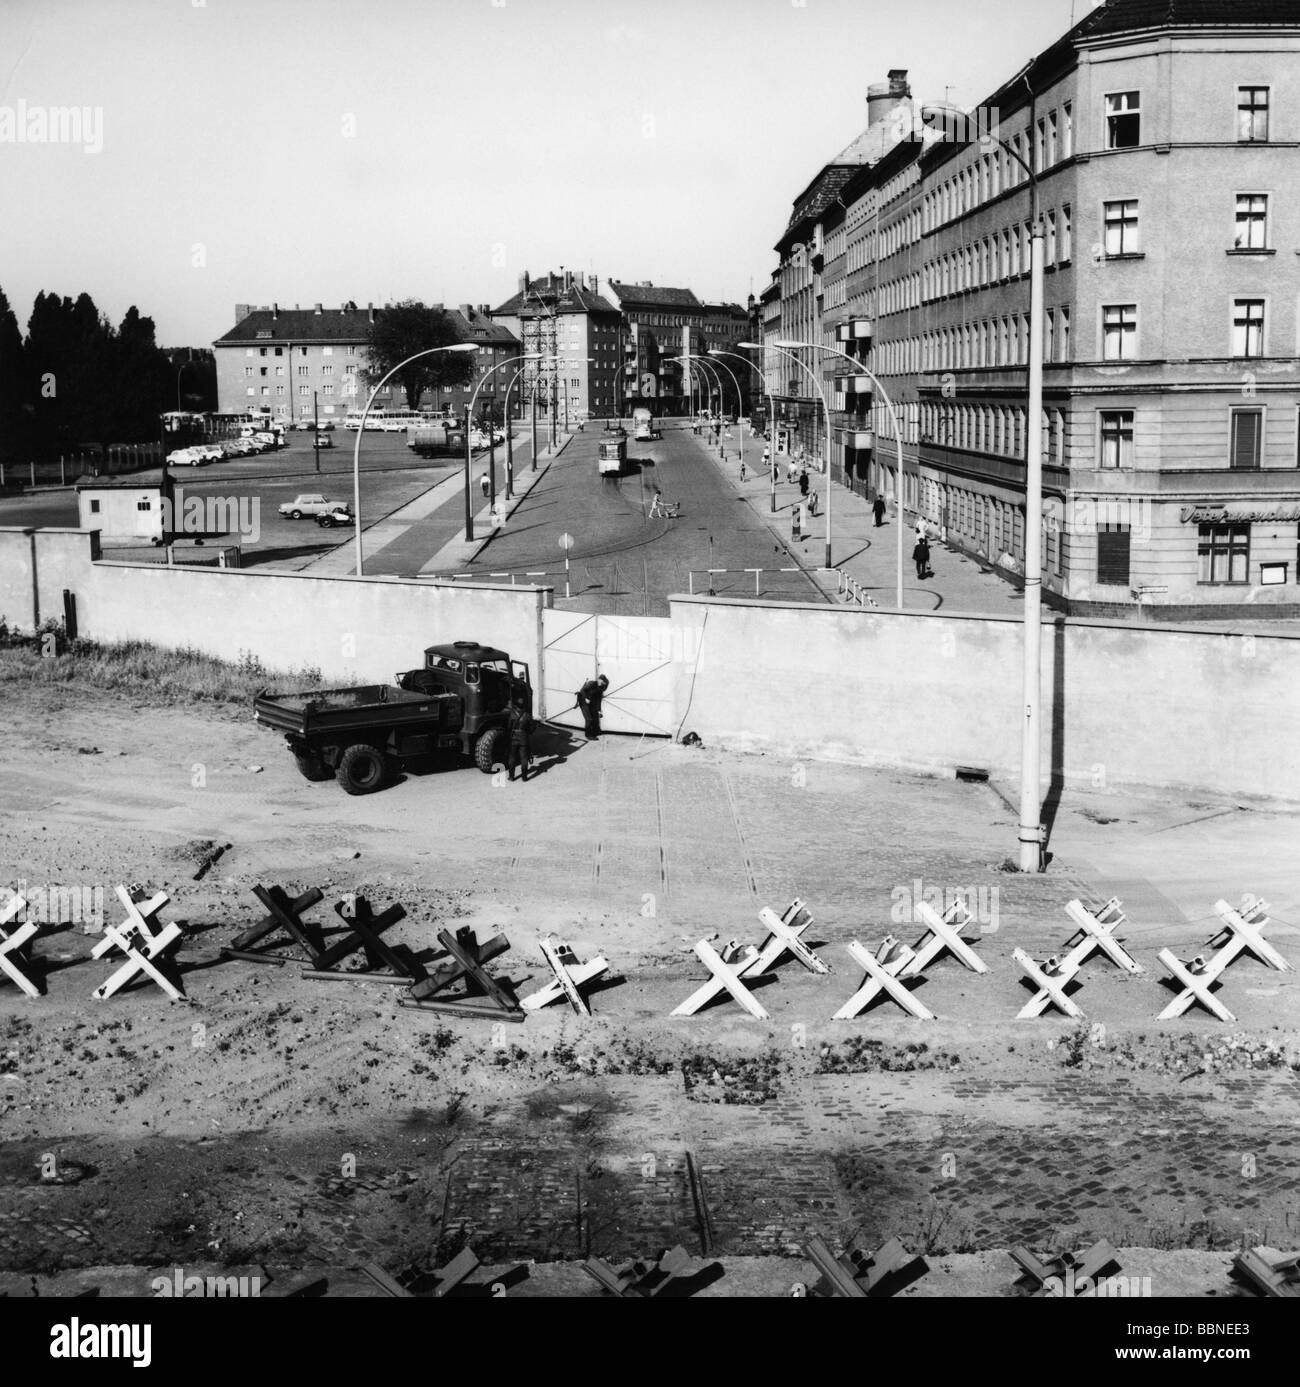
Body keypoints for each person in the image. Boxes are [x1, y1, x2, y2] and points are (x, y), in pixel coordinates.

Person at [506, 695, 535, 782]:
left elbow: (509, 727)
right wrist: (527, 733)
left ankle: (511, 777)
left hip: (514, 737)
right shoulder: (527, 715)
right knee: (524, 758)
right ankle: (524, 777)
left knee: (512, 757)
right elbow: (532, 728)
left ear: (516, 705)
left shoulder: (512, 714)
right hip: (524, 738)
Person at [576, 673, 609, 740]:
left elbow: (598, 701)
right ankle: (588, 735)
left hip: (590, 702)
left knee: (595, 716)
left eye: (603, 683)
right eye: (601, 681)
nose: (601, 683)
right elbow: (582, 691)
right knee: (589, 719)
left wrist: (599, 710)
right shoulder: (591, 683)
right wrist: (585, 698)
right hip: (583, 700)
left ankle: (595, 731)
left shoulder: (600, 689)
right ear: (598, 680)